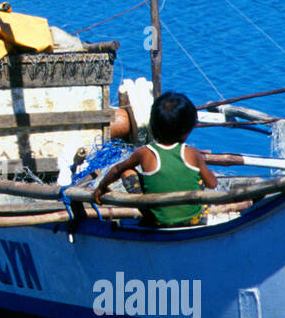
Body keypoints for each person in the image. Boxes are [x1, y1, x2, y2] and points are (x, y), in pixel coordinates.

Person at [92, 92, 217, 226]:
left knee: (126, 172)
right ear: (188, 130)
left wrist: (101, 188)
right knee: (200, 174)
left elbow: (117, 169)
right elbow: (212, 184)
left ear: (153, 125)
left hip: (157, 221)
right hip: (193, 220)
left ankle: (150, 216)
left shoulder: (144, 152)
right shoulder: (192, 153)